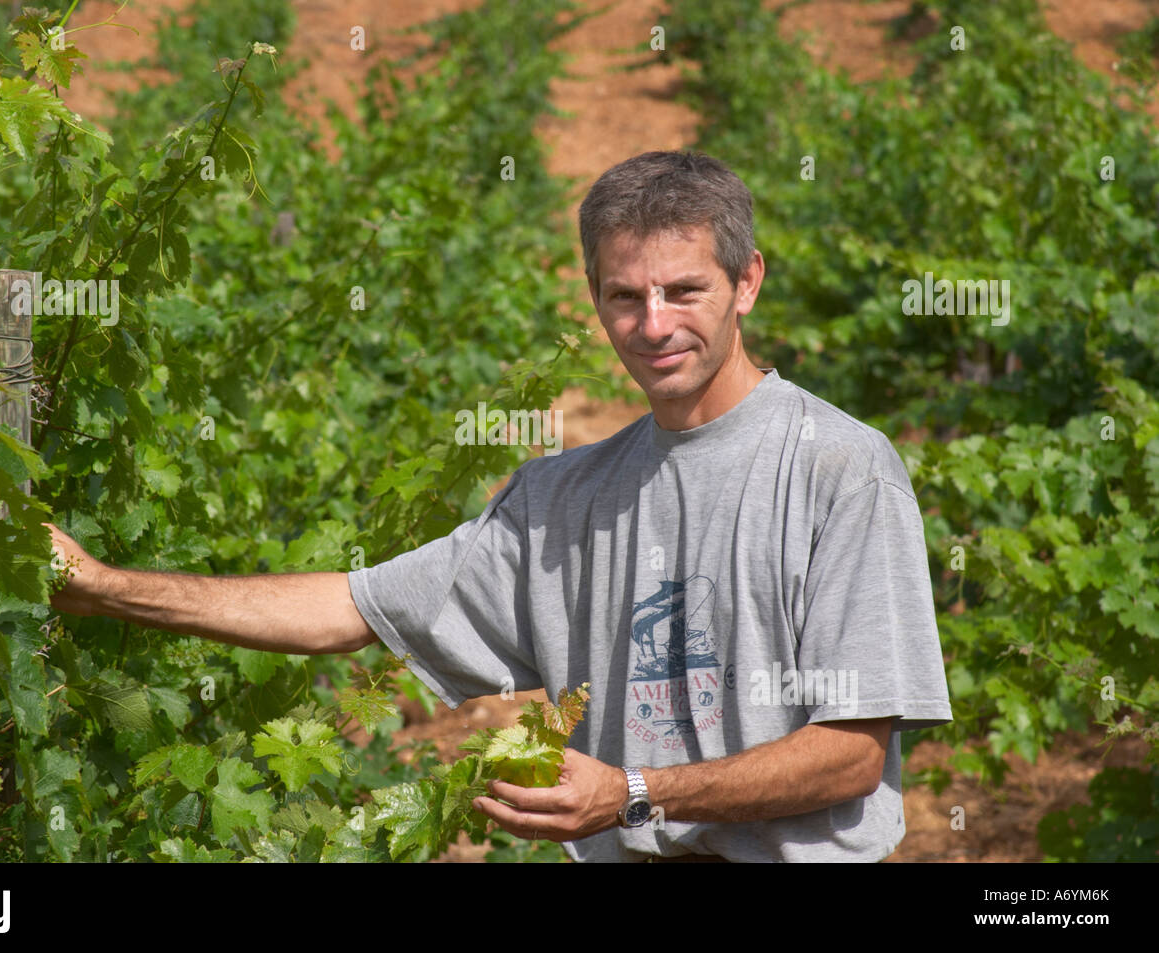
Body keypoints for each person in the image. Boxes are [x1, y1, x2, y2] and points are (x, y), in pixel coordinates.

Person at [47, 150, 952, 863]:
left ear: (747, 281)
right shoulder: (562, 497)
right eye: (624, 297)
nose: (655, 324)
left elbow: (850, 751)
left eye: (685, 291)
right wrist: (105, 585)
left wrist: (632, 790)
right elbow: (352, 607)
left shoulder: (838, 469)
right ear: (595, 299)